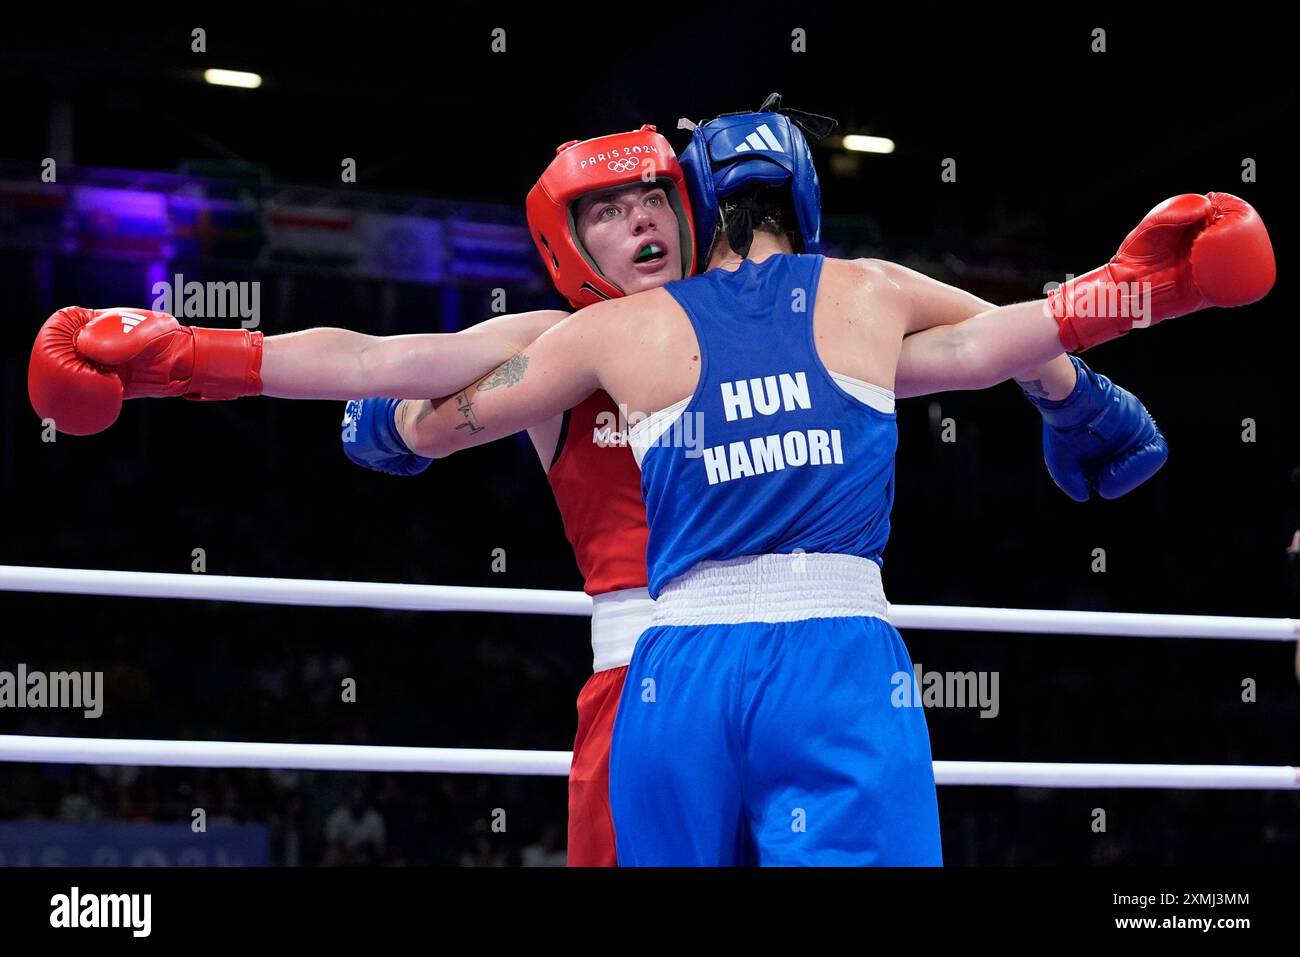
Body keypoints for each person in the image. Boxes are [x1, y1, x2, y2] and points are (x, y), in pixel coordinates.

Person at [28, 100, 1245, 863]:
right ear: (571, 240)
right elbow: (384, 364)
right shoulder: (566, 339)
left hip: (734, 665)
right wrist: (190, 355)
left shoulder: (808, 311)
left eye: (647, 200)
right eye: (602, 215)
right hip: (651, 676)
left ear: (693, 204)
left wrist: (1079, 389)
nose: (636, 228)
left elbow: (982, 341)